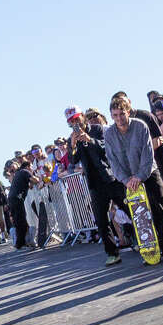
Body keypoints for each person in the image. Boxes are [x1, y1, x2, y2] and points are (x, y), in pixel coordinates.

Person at [103, 95, 163, 261]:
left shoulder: (140, 126)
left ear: (128, 111)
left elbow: (148, 154)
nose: (119, 118)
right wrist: (126, 179)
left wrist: (140, 176)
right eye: (115, 115)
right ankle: (149, 250)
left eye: (122, 114)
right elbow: (113, 161)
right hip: (128, 181)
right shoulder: (109, 135)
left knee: (159, 208)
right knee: (139, 216)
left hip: (149, 173)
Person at [66, 106, 127, 264]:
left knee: (129, 209)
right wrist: (72, 146)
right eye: (71, 121)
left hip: (111, 178)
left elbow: (106, 148)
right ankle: (112, 253)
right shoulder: (70, 138)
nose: (75, 122)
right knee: (101, 220)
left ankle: (145, 242)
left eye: (77, 118)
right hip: (94, 183)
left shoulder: (98, 129)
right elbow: (72, 161)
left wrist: (89, 140)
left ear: (83, 117)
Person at [7, 158, 32, 250]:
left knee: (19, 222)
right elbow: (34, 180)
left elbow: (29, 184)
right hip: (16, 200)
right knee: (21, 222)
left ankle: (20, 243)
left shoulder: (18, 173)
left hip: (14, 199)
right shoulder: (25, 171)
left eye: (12, 166)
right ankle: (21, 244)